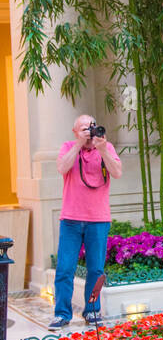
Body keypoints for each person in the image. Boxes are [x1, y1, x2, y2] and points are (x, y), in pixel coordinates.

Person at [50, 114, 123, 328]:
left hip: (98, 220)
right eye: (83, 128)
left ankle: (92, 310)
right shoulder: (68, 147)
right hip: (71, 219)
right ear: (75, 132)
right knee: (64, 268)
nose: (89, 132)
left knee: (96, 269)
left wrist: (101, 149)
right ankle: (62, 313)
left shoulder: (105, 147)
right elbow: (62, 168)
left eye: (91, 127)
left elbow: (117, 172)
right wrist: (78, 145)